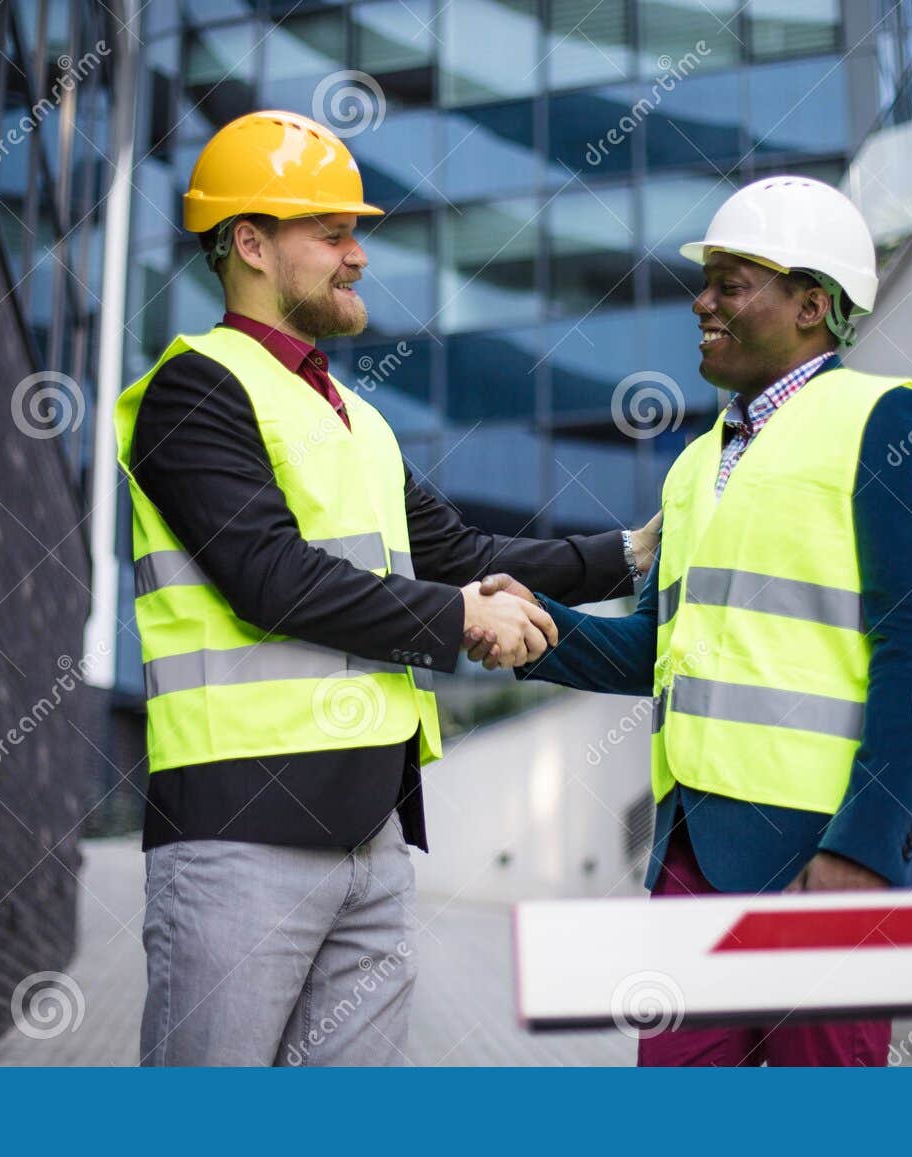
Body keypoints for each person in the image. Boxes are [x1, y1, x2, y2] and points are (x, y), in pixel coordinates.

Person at [116, 110, 660, 1066]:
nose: (357, 255)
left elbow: (457, 550)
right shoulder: (193, 390)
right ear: (249, 241)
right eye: (330, 233)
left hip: (374, 837)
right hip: (240, 834)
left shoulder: (355, 417)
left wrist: (629, 552)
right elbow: (268, 578)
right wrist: (461, 618)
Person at [475, 176, 912, 1067]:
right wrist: (539, 627)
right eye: (707, 281)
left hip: (825, 860)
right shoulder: (695, 467)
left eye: (732, 283)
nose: (701, 301)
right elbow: (668, 650)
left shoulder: (888, 420)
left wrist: (863, 845)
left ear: (812, 304)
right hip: (693, 855)